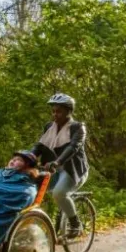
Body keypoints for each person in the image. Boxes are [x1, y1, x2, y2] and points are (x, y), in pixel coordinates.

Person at [31, 93, 89, 239]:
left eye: (59, 111)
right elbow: (39, 146)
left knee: (59, 193)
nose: (55, 114)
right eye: (53, 111)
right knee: (31, 191)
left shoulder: (78, 128)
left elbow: (73, 147)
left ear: (69, 111)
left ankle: (76, 224)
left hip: (73, 170)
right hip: (52, 170)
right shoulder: (49, 127)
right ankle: (31, 226)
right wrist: (27, 158)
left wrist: (57, 162)